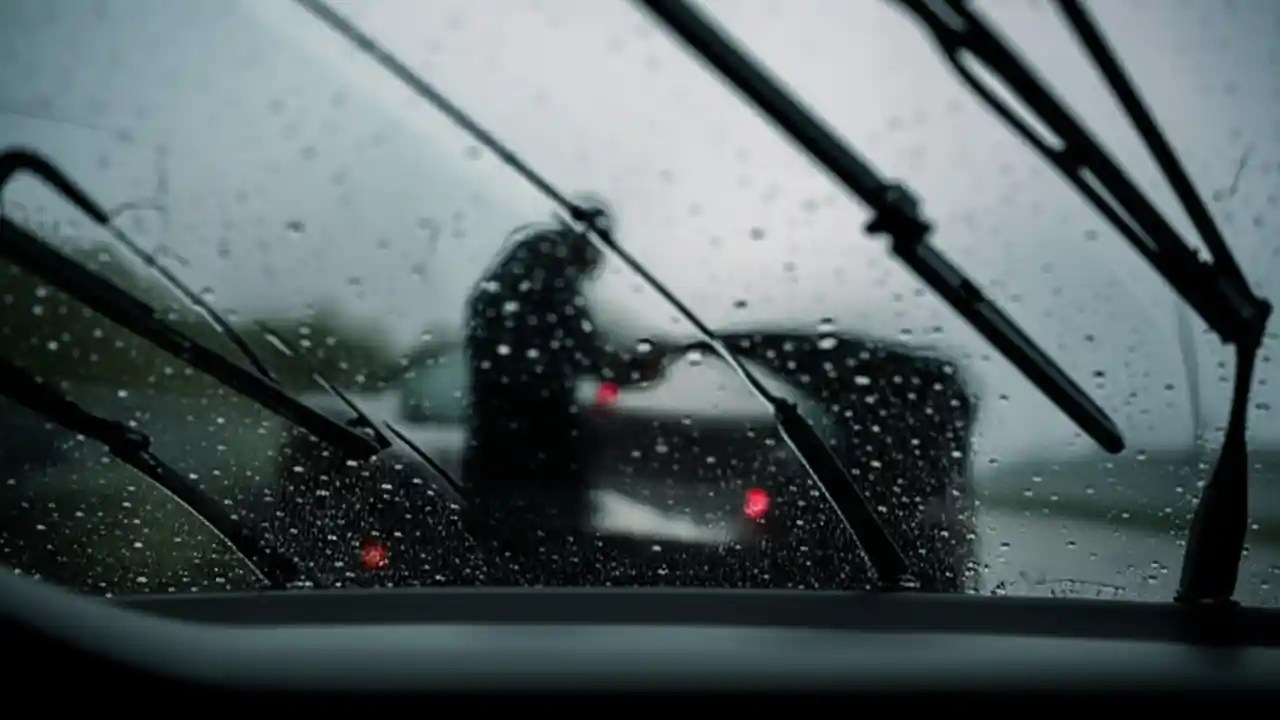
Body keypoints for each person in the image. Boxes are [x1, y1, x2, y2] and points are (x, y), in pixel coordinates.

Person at [460, 198, 668, 564]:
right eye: (600, 249)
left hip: (496, 425)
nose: (599, 263)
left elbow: (567, 343)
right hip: (528, 428)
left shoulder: (527, 261)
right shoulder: (549, 261)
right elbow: (579, 346)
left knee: (494, 533)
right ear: (589, 240)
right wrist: (633, 369)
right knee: (544, 531)